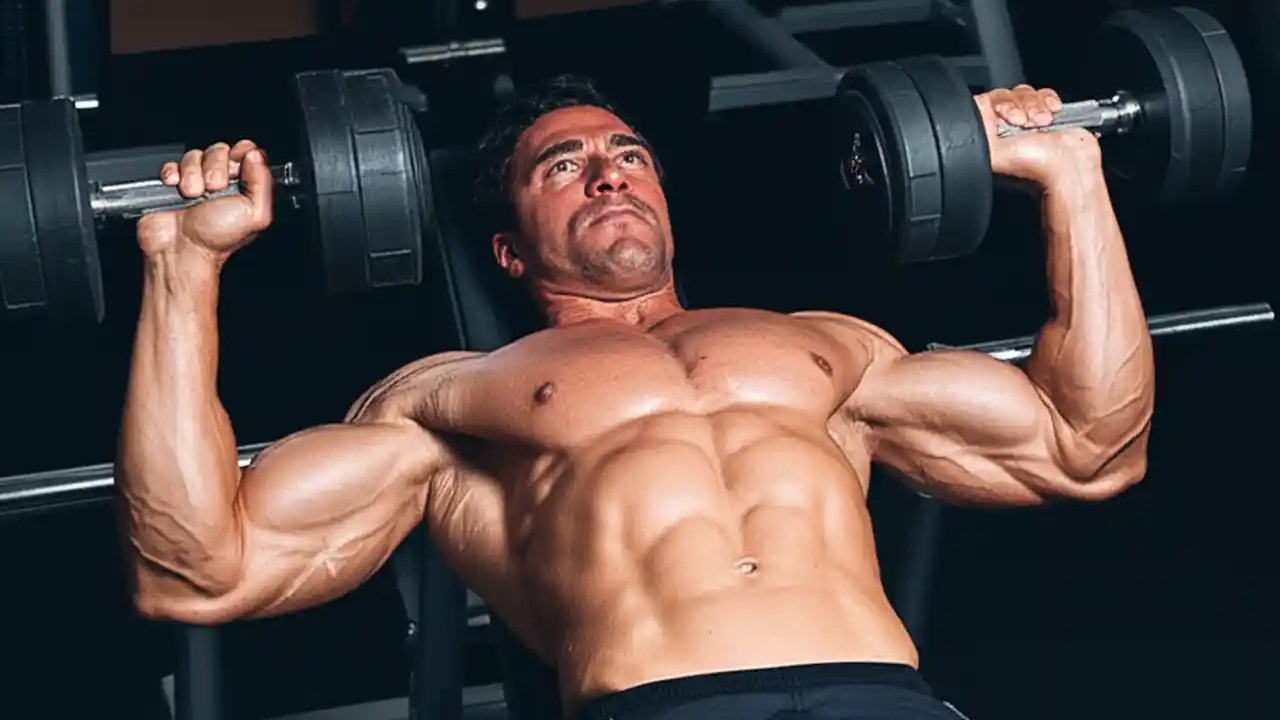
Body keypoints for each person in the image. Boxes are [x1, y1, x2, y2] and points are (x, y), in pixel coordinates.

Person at [116, 75, 1154, 720]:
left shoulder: (825, 349)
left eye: (627, 156)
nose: (606, 176)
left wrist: (1071, 180)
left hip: (879, 695)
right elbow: (198, 569)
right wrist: (182, 267)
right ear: (509, 248)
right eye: (561, 166)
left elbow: (1086, 445)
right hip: (664, 703)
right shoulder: (450, 401)